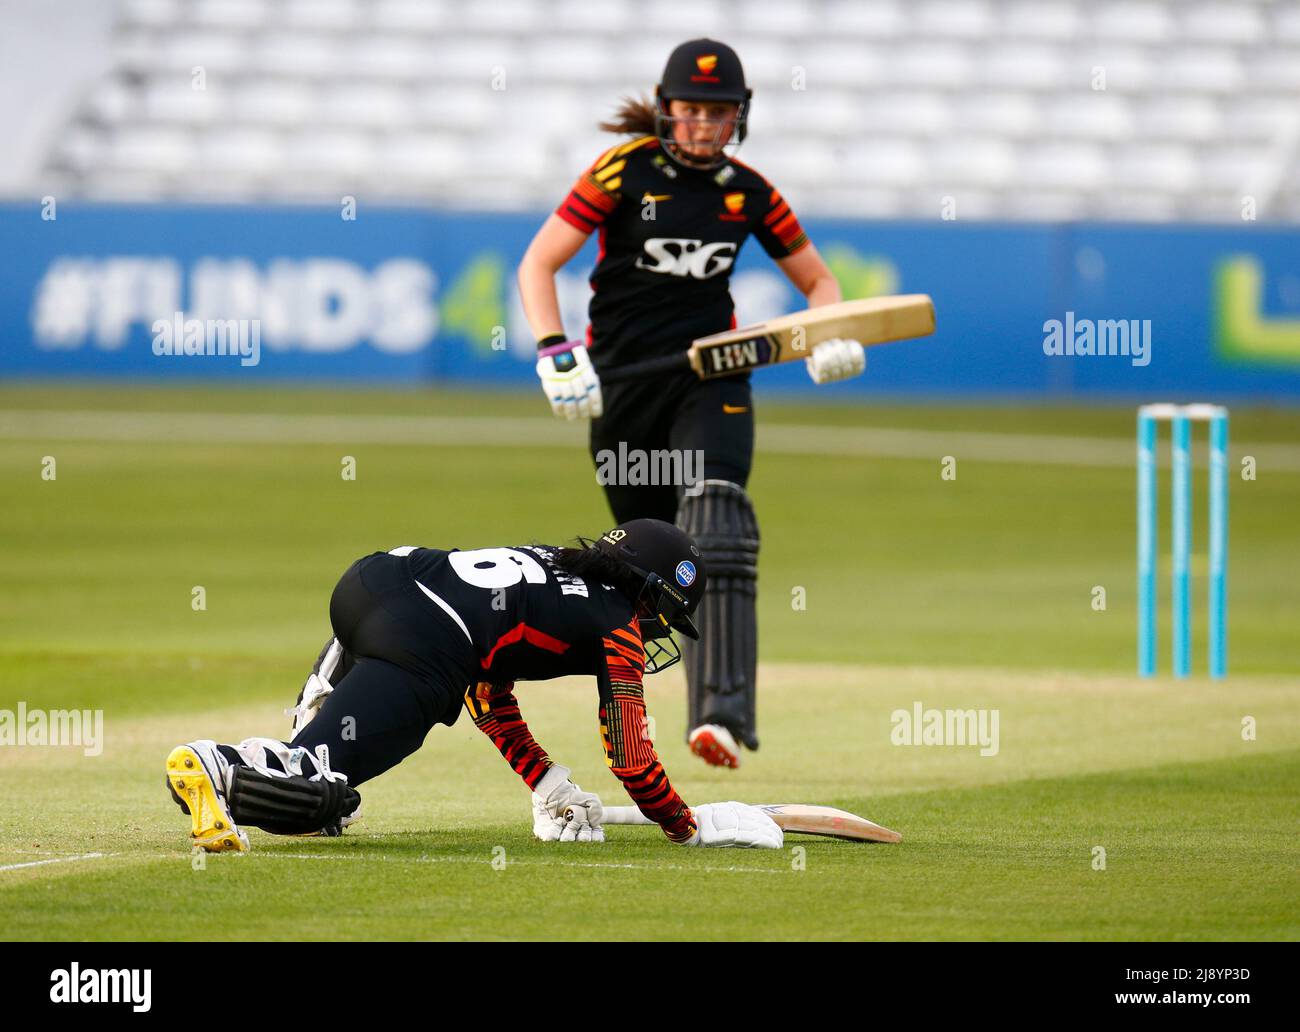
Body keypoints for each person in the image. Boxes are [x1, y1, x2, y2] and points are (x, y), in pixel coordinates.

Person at [518, 38, 868, 770]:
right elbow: (540, 261)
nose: (704, 124)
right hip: (623, 388)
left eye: (719, 111)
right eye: (691, 109)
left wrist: (829, 334)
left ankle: (722, 715)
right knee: (642, 572)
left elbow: (820, 283)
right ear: (666, 108)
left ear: (738, 116)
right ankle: (623, 730)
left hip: (713, 377)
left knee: (716, 514)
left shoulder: (750, 191)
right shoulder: (624, 171)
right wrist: (554, 347)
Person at [163, 519, 782, 852]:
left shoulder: (553, 565)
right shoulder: (615, 621)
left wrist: (546, 781)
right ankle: (226, 764)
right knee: (326, 793)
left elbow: (487, 688)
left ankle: (307, 731)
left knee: (329, 790)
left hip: (374, 583)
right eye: (662, 613)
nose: (655, 632)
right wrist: (686, 824)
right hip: (424, 637)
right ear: (642, 590)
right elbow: (631, 756)